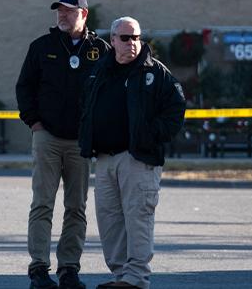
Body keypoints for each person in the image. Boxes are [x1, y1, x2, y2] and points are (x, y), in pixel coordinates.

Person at [79, 16, 186, 289]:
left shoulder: (155, 72)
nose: (132, 43)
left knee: (138, 218)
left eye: (136, 37)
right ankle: (121, 277)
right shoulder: (100, 70)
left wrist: (150, 136)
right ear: (112, 40)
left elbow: (176, 110)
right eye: (125, 38)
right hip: (104, 158)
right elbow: (87, 108)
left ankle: (136, 278)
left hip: (137, 158)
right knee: (110, 220)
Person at [16, 0, 110, 289]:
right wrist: (35, 123)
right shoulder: (42, 47)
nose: (62, 15)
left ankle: (69, 268)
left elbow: (109, 95)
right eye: (59, 10)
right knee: (42, 203)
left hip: (80, 142)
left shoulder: (101, 50)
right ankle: (39, 269)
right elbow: (24, 87)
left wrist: (97, 131)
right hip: (47, 137)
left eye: (69, 11)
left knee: (76, 207)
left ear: (83, 14)